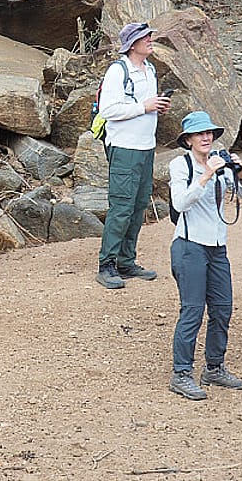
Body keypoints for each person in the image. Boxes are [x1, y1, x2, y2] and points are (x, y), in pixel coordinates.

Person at [166, 111, 242, 400]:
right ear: (188, 140)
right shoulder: (180, 165)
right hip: (189, 245)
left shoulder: (219, 162)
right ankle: (181, 373)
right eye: (199, 134)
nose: (206, 138)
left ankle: (214, 367)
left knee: (222, 308)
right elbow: (180, 202)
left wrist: (239, 172)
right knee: (192, 310)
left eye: (210, 133)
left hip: (217, 247)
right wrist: (206, 175)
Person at [95, 22, 172, 290]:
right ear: (132, 44)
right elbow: (108, 110)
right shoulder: (118, 71)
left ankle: (126, 262)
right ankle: (106, 264)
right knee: (122, 207)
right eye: (145, 37)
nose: (150, 40)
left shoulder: (150, 70)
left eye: (149, 36)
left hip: (146, 147)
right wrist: (144, 106)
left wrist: (157, 107)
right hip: (124, 148)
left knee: (138, 206)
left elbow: (142, 107)